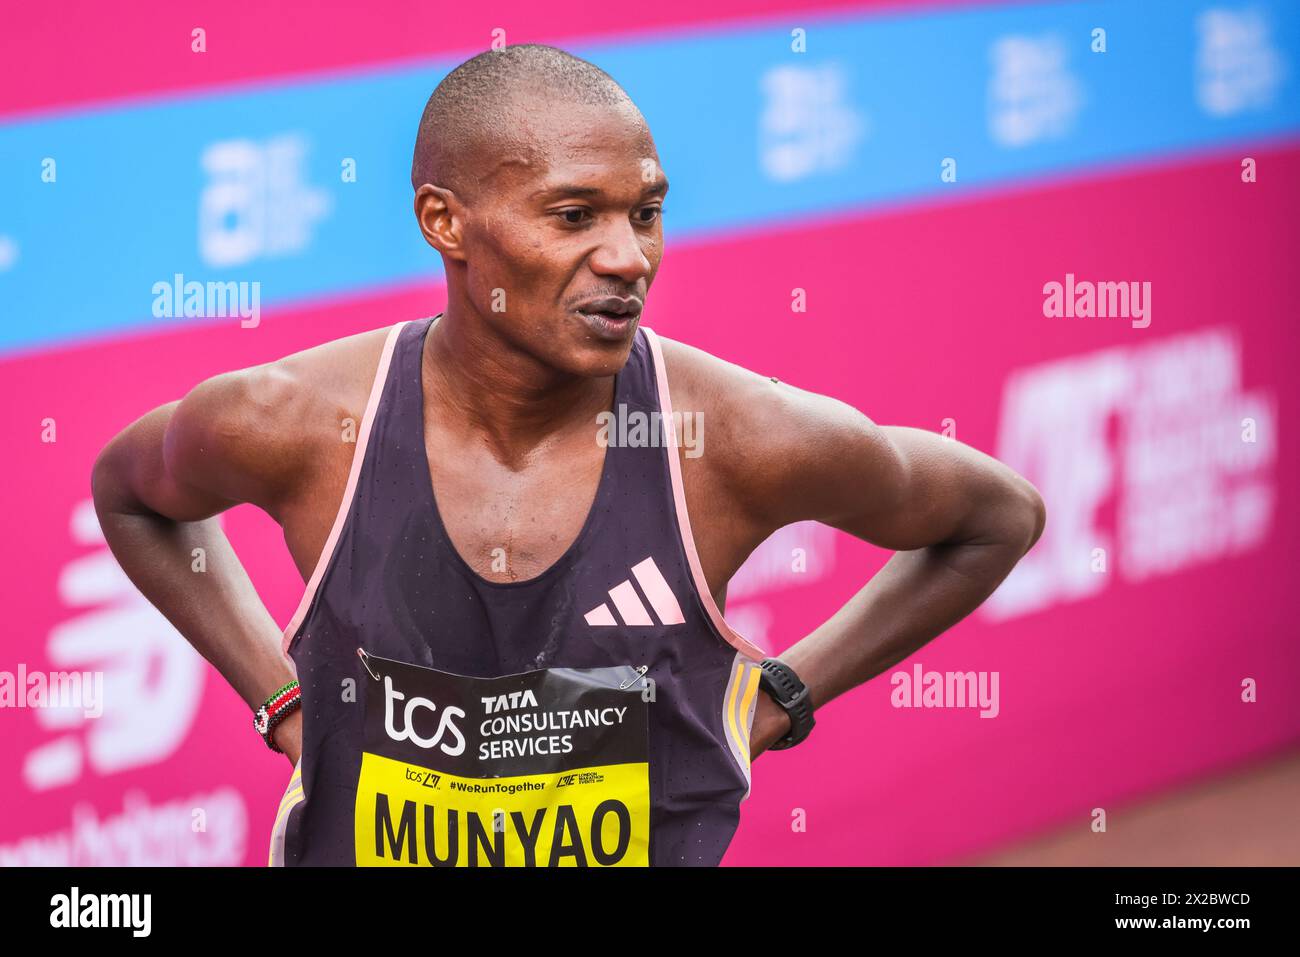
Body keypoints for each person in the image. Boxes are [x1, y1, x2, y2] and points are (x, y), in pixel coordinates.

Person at [91, 44, 1045, 867]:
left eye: (646, 212)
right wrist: (280, 697)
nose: (630, 257)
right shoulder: (289, 422)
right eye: (575, 215)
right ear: (445, 222)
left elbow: (996, 515)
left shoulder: (735, 438)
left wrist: (783, 697)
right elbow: (131, 497)